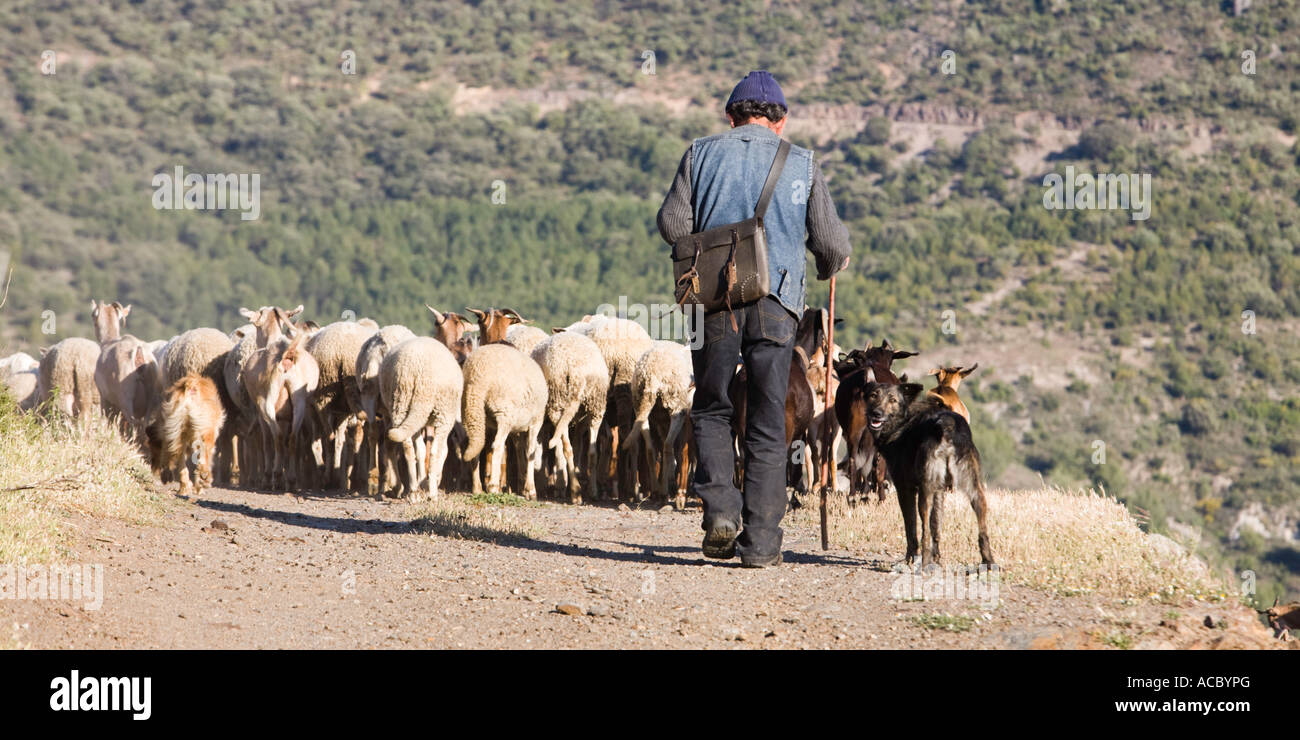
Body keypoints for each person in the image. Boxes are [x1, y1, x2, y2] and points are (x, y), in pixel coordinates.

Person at [657, 70, 851, 567]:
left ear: (730, 117)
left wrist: (712, 240)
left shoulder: (700, 153)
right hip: (777, 302)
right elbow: (831, 245)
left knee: (713, 407)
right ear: (780, 121)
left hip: (715, 301)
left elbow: (673, 224)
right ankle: (762, 543)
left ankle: (721, 510)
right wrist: (832, 265)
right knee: (768, 419)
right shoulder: (802, 163)